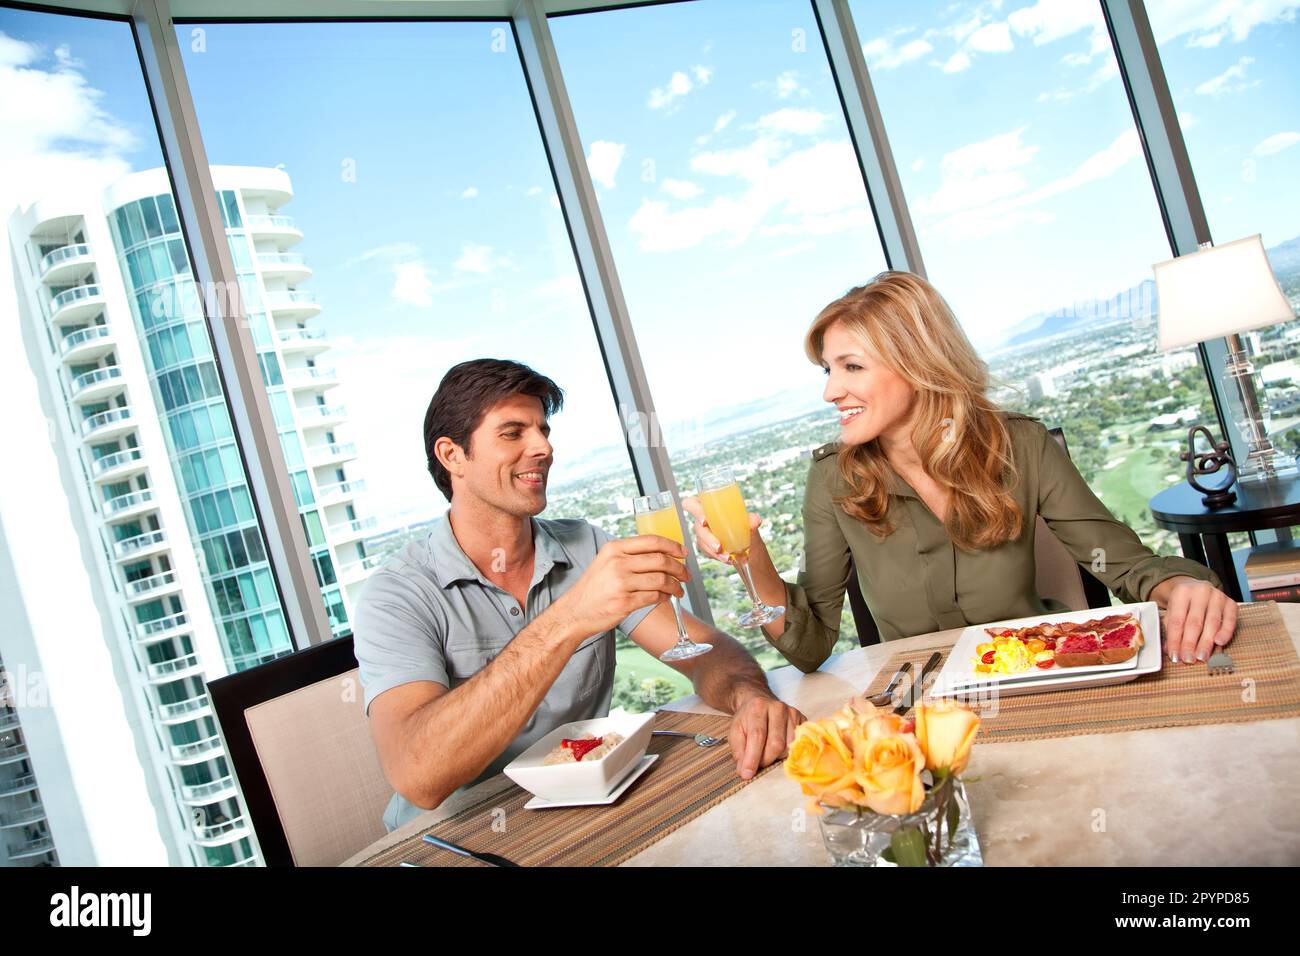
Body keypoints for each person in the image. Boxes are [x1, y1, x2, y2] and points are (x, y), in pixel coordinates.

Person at [684, 272, 1237, 673]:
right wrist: (750, 554)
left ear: (918, 363)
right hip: (925, 711)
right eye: (829, 370)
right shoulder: (832, 480)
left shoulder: (1022, 445)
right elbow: (810, 647)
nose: (830, 391)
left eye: (852, 367)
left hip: (1042, 677)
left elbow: (1123, 564)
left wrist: (1180, 584)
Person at [354, 358, 804, 831]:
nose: (543, 447)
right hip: (451, 839)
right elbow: (419, 776)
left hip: (587, 813)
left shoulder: (585, 545)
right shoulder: (397, 596)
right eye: (513, 433)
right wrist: (570, 619)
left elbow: (702, 653)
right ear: (452, 456)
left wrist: (750, 697)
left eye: (543, 430)